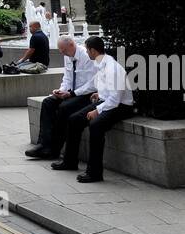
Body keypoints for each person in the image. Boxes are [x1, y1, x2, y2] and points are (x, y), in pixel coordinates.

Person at [51, 36, 135, 182]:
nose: (86, 52)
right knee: (74, 119)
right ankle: (70, 162)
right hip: (107, 101)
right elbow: (104, 89)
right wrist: (99, 93)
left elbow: (115, 100)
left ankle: (95, 172)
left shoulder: (112, 68)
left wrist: (97, 111)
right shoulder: (101, 63)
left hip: (122, 107)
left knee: (95, 126)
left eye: (87, 49)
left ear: (93, 50)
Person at [26, 35, 96, 158]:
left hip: (87, 94)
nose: (63, 53)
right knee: (48, 102)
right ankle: (43, 144)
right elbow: (68, 78)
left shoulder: (87, 57)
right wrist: (61, 90)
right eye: (61, 51)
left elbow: (92, 84)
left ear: (72, 45)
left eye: (64, 50)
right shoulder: (67, 56)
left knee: (64, 107)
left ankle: (54, 149)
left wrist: (72, 94)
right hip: (72, 92)